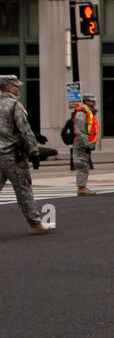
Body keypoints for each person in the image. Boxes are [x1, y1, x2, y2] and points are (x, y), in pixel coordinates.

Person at [0, 75, 54, 235]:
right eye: (16, 86)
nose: (19, 88)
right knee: (24, 189)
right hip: (12, 156)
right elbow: (24, 129)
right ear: (9, 87)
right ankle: (35, 223)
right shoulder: (14, 105)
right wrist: (34, 152)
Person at [71, 94, 99, 196]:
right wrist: (87, 144)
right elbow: (79, 131)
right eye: (92, 101)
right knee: (82, 165)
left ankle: (82, 187)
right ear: (86, 101)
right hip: (81, 145)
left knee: (85, 165)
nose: (94, 103)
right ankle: (81, 188)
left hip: (85, 144)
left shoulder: (88, 113)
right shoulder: (82, 113)